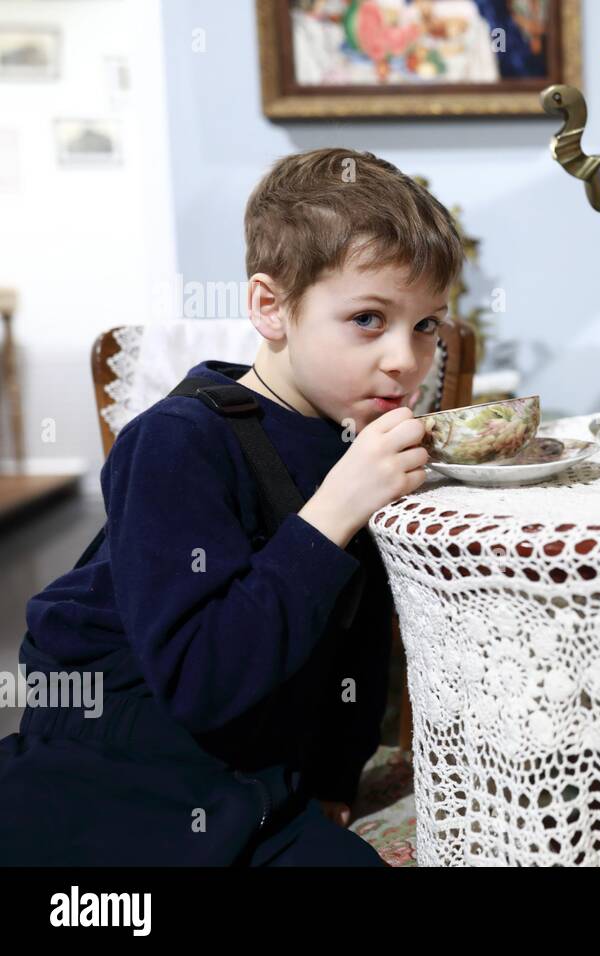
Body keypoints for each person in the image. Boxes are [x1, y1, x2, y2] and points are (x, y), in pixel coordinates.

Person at [0, 147, 463, 865]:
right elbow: (200, 680)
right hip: (131, 753)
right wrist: (331, 512)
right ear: (269, 307)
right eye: (369, 319)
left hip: (263, 757)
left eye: (428, 324)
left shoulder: (356, 439)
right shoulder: (177, 442)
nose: (406, 358)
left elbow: (358, 632)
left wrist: (337, 774)